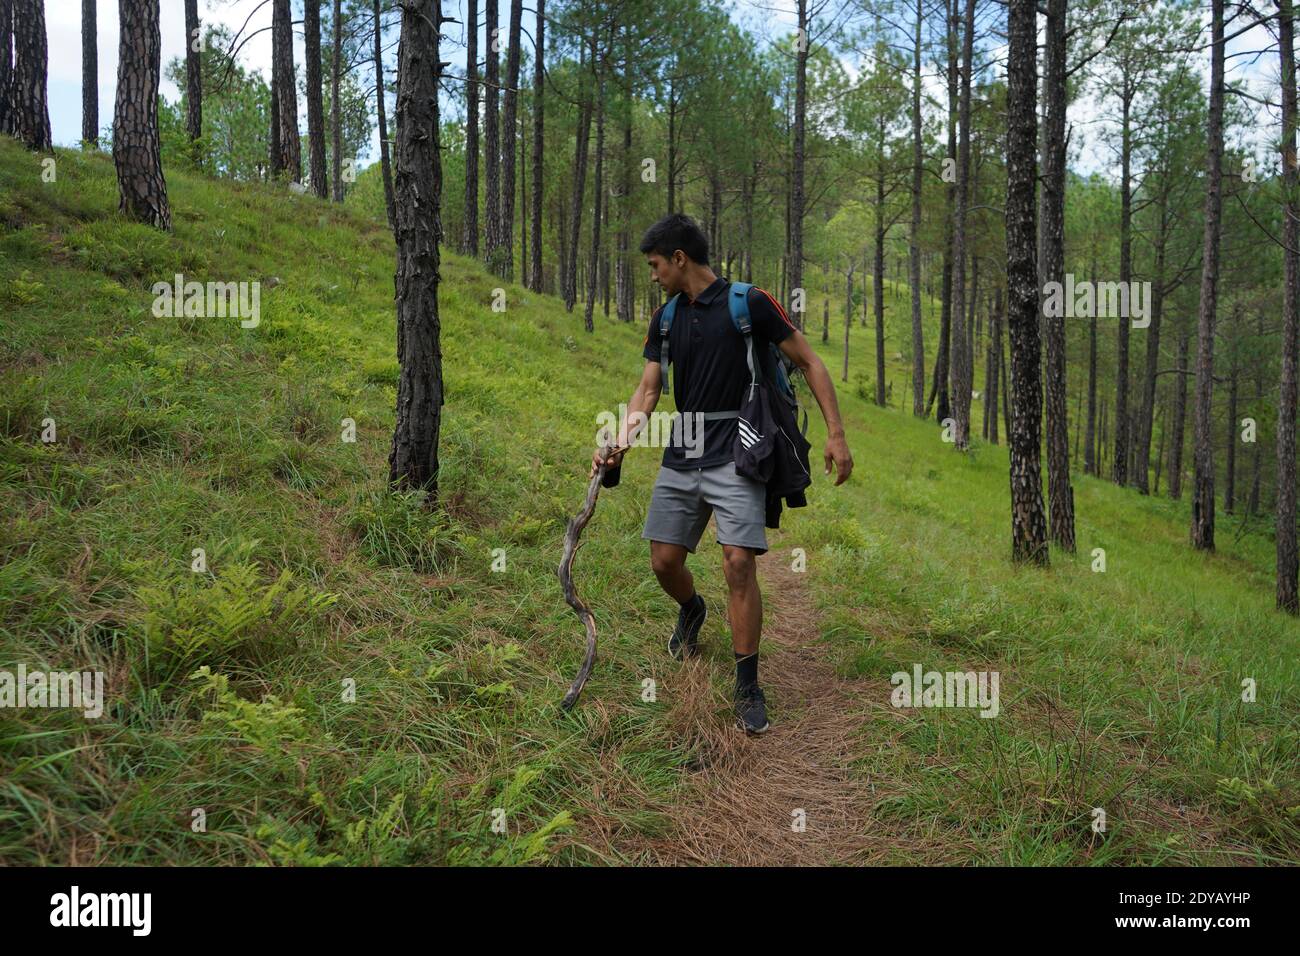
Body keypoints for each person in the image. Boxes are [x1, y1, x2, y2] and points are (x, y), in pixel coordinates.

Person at [592, 213, 853, 734]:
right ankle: (692, 609)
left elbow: (809, 360)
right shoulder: (665, 318)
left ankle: (747, 684)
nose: (653, 275)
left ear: (680, 258)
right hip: (684, 445)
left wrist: (837, 435)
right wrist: (620, 440)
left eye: (656, 264)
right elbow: (648, 391)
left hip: (740, 444)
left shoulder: (749, 302)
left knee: (738, 561)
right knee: (664, 562)